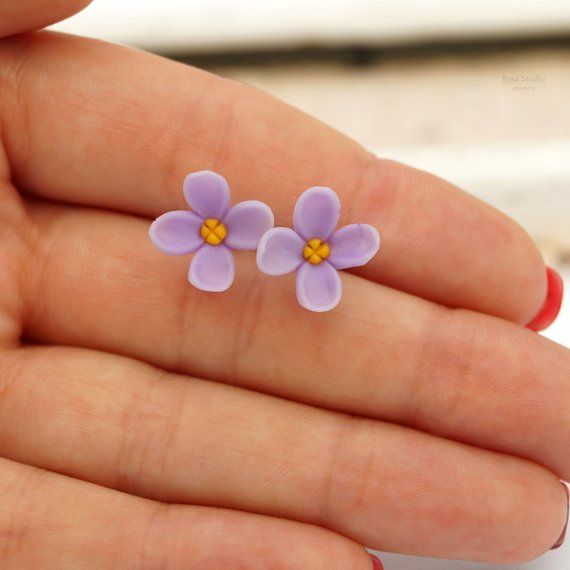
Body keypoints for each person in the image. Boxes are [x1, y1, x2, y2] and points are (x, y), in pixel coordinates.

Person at [0, 1, 567, 568]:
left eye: (320, 248)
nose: (317, 248)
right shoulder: (237, 239)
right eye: (315, 247)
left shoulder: (288, 245)